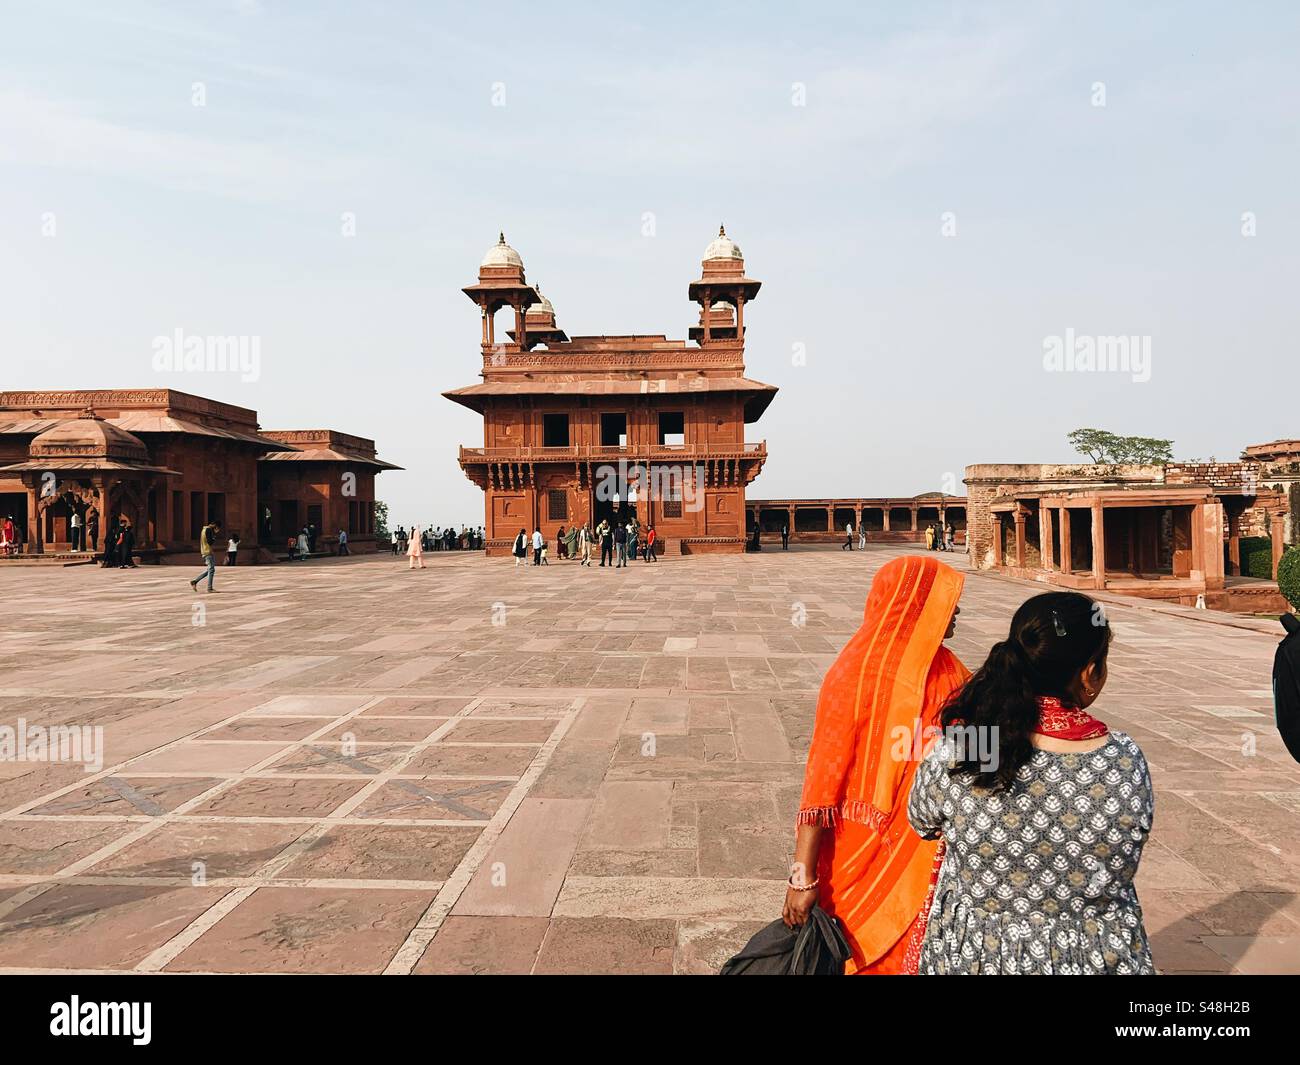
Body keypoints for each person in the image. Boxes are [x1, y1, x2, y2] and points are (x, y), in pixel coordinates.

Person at [908, 591, 1153, 975]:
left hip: (978, 953)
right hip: (1095, 953)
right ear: (1090, 672)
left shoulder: (966, 749)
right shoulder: (1125, 759)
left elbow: (921, 820)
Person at [784, 555, 968, 975]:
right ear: (913, 606)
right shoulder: (853, 676)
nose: (955, 611)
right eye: (945, 601)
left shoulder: (948, 670)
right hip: (856, 852)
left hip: (923, 855)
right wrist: (802, 878)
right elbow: (821, 787)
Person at [189, 519, 222, 593]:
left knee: (210, 570)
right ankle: (209, 588)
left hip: (206, 551)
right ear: (216, 526)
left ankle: (195, 581)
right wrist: (215, 536)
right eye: (218, 528)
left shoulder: (204, 529)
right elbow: (210, 542)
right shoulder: (209, 530)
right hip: (207, 552)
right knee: (211, 570)